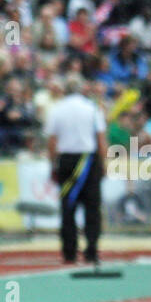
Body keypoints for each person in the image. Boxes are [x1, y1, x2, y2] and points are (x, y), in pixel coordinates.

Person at [44, 73, 107, 264]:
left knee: (68, 207)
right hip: (88, 160)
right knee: (92, 208)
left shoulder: (56, 110)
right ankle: (92, 250)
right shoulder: (92, 109)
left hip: (67, 160)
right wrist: (103, 163)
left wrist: (53, 165)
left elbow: (52, 142)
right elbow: (101, 140)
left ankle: (69, 252)